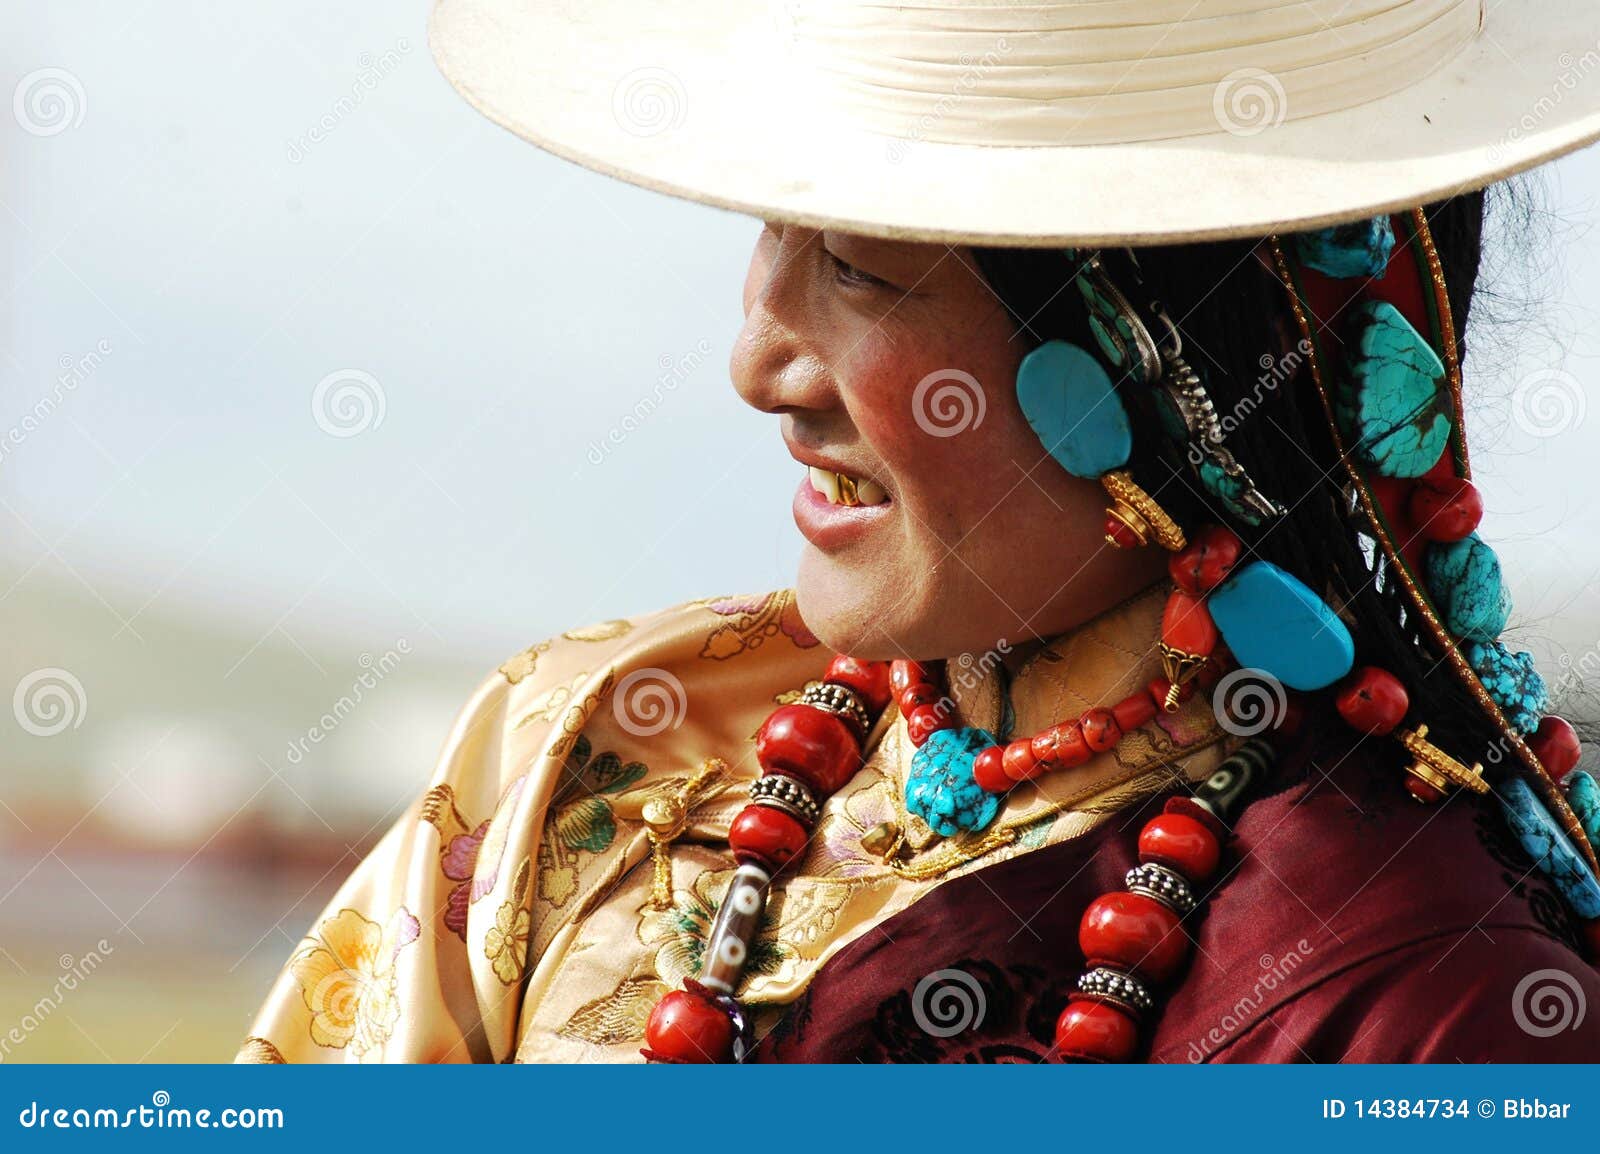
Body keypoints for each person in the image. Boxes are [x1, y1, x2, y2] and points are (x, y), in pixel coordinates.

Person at [236, 0, 1600, 1063]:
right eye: (772, 236)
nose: (760, 362)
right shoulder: (580, 750)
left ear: (1177, 387)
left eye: (859, 272)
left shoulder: (1407, 995)